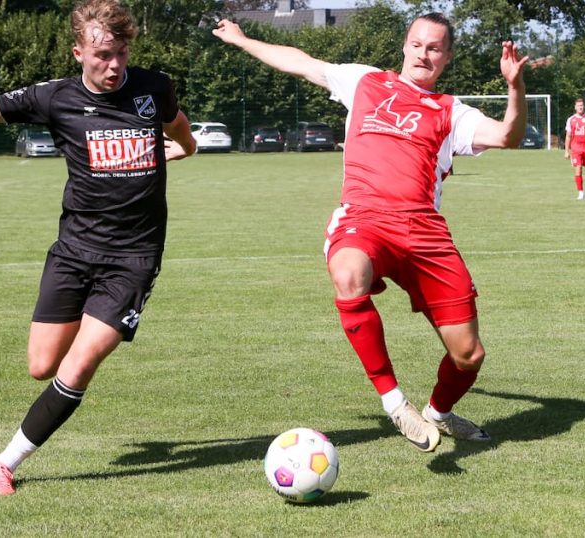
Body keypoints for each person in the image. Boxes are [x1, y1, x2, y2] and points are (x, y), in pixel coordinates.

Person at [213, 13, 529, 452]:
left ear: (447, 56)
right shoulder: (364, 82)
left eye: (434, 47)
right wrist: (243, 40)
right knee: (348, 275)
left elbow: (508, 136)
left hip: (424, 233)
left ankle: (437, 413)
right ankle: (396, 404)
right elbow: (299, 61)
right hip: (366, 218)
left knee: (468, 354)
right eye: (417, 44)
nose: (423, 53)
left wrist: (515, 86)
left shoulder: (451, 111)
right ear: (404, 46)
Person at [0, 0, 197, 495]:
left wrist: (185, 147)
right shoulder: (53, 98)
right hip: (73, 252)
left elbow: (176, 120)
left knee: (80, 364)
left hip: (134, 259)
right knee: (42, 366)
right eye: (103, 55)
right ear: (79, 50)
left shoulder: (153, 87)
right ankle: (87, 329)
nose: (115, 65)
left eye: (122, 53)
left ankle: (3, 464)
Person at [564, 98, 585, 199]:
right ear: (575, 107)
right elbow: (568, 136)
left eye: (582, 105)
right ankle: (580, 192)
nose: (580, 107)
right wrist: (566, 151)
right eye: (578, 105)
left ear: (584, 106)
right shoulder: (571, 120)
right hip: (576, 148)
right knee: (578, 170)